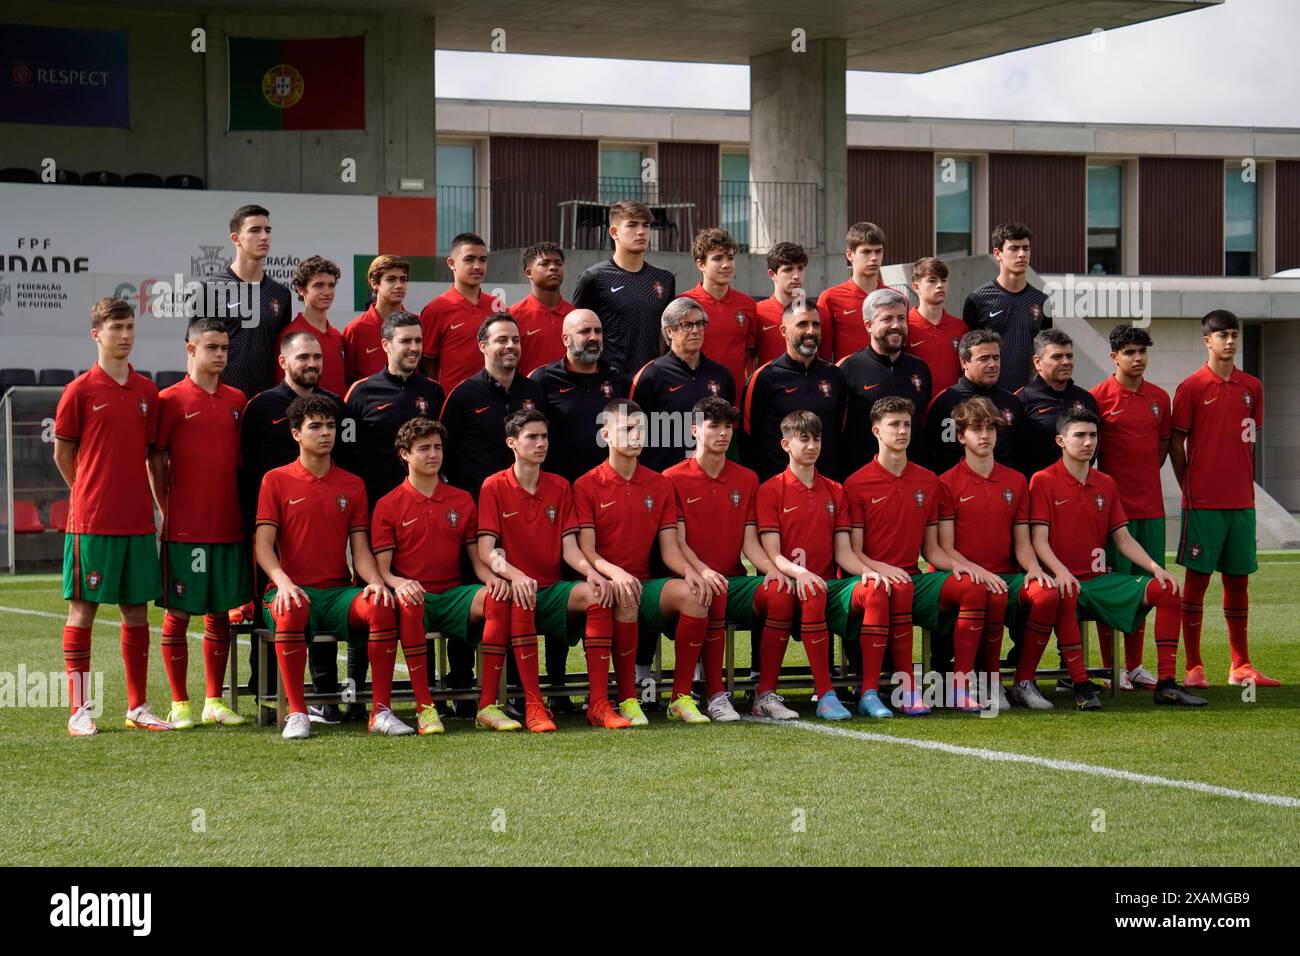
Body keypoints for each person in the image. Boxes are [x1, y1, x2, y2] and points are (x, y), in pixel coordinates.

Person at [1029, 408, 1207, 709]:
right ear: (1060, 440)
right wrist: (1060, 572)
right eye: (1080, 436)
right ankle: (1082, 686)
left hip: (1101, 580)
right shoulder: (1042, 480)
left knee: (1167, 590)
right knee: (1068, 592)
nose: (1088, 442)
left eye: (1093, 436)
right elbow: (1039, 541)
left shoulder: (1106, 483)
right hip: (1064, 582)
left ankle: (1166, 685)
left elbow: (1123, 538)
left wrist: (1154, 568)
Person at [54, 297, 171, 735]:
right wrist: (88, 491)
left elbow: (148, 455)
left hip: (138, 521)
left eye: (129, 327)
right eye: (115, 328)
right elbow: (63, 454)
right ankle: (79, 710)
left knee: (137, 614)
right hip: (91, 521)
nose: (124, 336)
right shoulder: (79, 391)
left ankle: (137, 706)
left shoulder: (146, 392)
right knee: (82, 613)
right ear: (96, 335)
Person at [253, 394, 398, 740]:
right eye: (315, 426)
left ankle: (381, 711)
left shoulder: (353, 484)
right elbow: (262, 546)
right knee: (291, 607)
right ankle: (298, 713)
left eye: (330, 426)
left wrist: (376, 581)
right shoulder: (276, 480)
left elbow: (360, 551)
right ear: (296, 434)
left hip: (337, 595)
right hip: (291, 591)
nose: (325, 433)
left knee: (380, 604)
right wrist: (284, 583)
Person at [372, 417, 526, 734]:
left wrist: (490, 578)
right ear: (404, 453)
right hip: (417, 597)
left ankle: (487, 707)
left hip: (453, 595)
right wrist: (400, 583)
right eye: (424, 448)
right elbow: (383, 571)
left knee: (497, 597)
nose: (433, 454)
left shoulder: (461, 499)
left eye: (438, 447)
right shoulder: (388, 504)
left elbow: (476, 557)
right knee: (410, 600)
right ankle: (426, 709)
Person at [841, 397, 991, 716]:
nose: (902, 431)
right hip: (869, 578)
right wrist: (879, 570)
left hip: (913, 577)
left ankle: (959, 686)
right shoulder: (856, 484)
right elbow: (851, 553)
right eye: (894, 424)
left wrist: (970, 568)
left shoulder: (928, 481)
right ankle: (895, 689)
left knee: (972, 587)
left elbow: (933, 550)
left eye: (907, 424)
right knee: (898, 587)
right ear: (876, 431)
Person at [573, 399, 713, 726]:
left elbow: (670, 549)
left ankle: (680, 697)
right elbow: (588, 551)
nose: (637, 436)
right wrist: (616, 573)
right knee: (626, 595)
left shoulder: (659, 483)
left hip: (644, 583)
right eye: (628, 429)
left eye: (641, 430)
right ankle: (628, 699)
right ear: (606, 434)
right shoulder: (586, 484)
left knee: (695, 594)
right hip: (606, 583)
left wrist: (692, 572)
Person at [477, 410, 620, 726]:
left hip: (553, 590)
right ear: (512, 443)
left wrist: (592, 572)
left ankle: (598, 703)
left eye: (544, 437)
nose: (541, 444)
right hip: (519, 589)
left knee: (597, 594)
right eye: (532, 437)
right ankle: (533, 706)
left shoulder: (559, 486)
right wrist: (515, 576)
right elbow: (487, 551)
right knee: (521, 595)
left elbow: (570, 550)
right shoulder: (493, 486)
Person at [239, 330, 354, 719]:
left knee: (323, 592)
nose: (312, 364)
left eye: (317, 357)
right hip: (270, 520)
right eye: (303, 357)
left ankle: (324, 695)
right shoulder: (260, 407)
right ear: (284, 361)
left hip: (322, 511)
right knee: (273, 605)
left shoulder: (336, 406)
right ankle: (268, 696)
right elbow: (244, 467)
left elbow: (347, 461)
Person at [147, 318, 249, 729]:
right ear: (190, 350)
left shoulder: (238, 399)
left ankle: (214, 700)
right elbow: (155, 460)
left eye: (224, 348)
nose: (220, 355)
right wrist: (166, 509)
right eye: (211, 347)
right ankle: (179, 702)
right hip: (184, 528)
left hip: (227, 525)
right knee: (179, 613)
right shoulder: (169, 400)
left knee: (220, 613)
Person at [1170, 310, 1278, 688]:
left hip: (1242, 503)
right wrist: (1191, 483)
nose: (1230, 341)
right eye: (1222, 335)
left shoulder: (1253, 387)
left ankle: (1241, 666)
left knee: (1238, 582)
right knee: (1196, 581)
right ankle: (1194, 667)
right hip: (1203, 504)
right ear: (1207, 341)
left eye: (1234, 334)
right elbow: (1175, 443)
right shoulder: (1191, 387)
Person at [752, 410, 880, 720]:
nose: (812, 446)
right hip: (792, 582)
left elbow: (844, 554)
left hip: (827, 585)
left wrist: (868, 571)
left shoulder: (835, 490)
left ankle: (871, 692)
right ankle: (825, 694)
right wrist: (801, 573)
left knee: (874, 589)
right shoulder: (770, 490)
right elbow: (773, 555)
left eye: (817, 439)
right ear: (786, 444)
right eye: (803, 439)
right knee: (812, 590)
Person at [936, 397, 1062, 711]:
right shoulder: (945, 483)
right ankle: (990, 681)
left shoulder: (1016, 481)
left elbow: (1022, 543)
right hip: (964, 576)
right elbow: (945, 548)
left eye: (990, 428)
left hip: (1006, 575)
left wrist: (1033, 567)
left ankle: (1024, 681)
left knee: (1046, 593)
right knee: (989, 591)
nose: (984, 435)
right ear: (961, 436)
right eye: (976, 429)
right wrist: (980, 572)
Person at [665, 397, 784, 722]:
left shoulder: (747, 479)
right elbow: (678, 541)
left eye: (727, 427)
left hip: (736, 580)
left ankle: (765, 694)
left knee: (780, 592)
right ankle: (715, 695)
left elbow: (750, 542)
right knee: (711, 586)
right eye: (713, 426)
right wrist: (703, 571)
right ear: (694, 431)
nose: (722, 434)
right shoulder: (672, 478)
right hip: (692, 579)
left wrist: (774, 570)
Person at [1089, 324, 1169, 689]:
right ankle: (1112, 668)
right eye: (1130, 353)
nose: (1138, 359)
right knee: (1113, 589)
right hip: (1112, 513)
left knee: (1149, 589)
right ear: (1114, 357)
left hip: (1151, 509)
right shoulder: (1098, 398)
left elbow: (1162, 448)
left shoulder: (1159, 398)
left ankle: (1135, 665)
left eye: (1142, 352)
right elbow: (1092, 453)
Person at [343, 311, 446, 509]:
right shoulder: (361, 392)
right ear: (386, 345)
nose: (414, 348)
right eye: (406, 341)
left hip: (426, 503)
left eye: (418, 341)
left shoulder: (434, 391)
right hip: (376, 503)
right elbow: (345, 451)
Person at [440, 314, 550, 495]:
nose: (511, 346)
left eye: (516, 340)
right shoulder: (464, 395)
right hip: (478, 500)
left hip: (527, 500)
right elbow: (446, 451)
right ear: (483, 346)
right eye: (502, 340)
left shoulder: (535, 392)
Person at [741, 300, 846, 481]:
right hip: (779, 487)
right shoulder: (764, 378)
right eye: (802, 324)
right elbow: (748, 438)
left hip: (826, 486)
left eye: (816, 325)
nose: (811, 331)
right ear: (784, 331)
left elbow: (841, 433)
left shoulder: (835, 376)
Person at [629, 296, 735, 473]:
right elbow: (631, 432)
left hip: (711, 478)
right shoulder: (650, 375)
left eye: (700, 324)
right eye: (687, 325)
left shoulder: (722, 375)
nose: (695, 330)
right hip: (663, 477)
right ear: (669, 331)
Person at [571, 200, 676, 376]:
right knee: (622, 407)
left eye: (646, 225)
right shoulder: (593, 278)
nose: (641, 232)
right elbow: (576, 334)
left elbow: (667, 335)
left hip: (653, 382)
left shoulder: (664, 279)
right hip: (611, 384)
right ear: (614, 232)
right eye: (632, 225)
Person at [199, 204, 292, 399]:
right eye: (255, 230)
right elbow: (195, 352)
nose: (264, 236)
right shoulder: (210, 289)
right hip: (222, 399)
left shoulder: (281, 294)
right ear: (235, 238)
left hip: (267, 401)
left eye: (267, 230)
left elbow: (282, 352)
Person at [837, 287, 931, 475]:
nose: (896, 325)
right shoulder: (848, 368)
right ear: (868, 325)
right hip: (864, 478)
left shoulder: (920, 369)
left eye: (901, 318)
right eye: (887, 319)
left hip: (912, 479)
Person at [528, 309, 630, 484]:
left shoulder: (617, 378)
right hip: (560, 486)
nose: (594, 337)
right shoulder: (542, 380)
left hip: (609, 486)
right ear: (565, 339)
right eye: (585, 331)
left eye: (598, 331)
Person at [962, 221, 1051, 391]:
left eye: (1026, 248)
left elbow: (1044, 354)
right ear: (997, 253)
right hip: (986, 398)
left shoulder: (1041, 301)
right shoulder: (977, 299)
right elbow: (967, 355)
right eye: (1014, 248)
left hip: (1026, 399)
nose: (1022, 254)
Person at [924, 329, 1025, 474]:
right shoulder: (944, 402)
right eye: (984, 359)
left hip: (1002, 489)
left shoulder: (1012, 402)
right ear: (964, 362)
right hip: (957, 489)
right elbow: (932, 453)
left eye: (996, 358)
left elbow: (1020, 452)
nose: (993, 364)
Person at [419, 232, 502, 393]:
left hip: (493, 399)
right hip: (452, 403)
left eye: (482, 260)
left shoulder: (496, 306)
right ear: (452, 263)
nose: (477, 266)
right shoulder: (436, 309)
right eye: (469, 259)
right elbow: (427, 363)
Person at [1015, 329, 1099, 479]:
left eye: (1069, 356)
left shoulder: (1087, 399)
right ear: (1037, 362)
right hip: (1036, 491)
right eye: (1057, 357)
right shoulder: (1021, 400)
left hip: (1078, 489)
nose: (1066, 362)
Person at [682, 227, 757, 391]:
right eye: (718, 258)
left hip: (734, 401)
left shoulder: (748, 305)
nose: (726, 264)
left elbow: (749, 355)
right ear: (700, 264)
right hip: (693, 398)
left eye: (730, 258)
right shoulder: (683, 304)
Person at [817, 221, 900, 361]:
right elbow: (823, 356)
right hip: (846, 381)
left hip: (888, 380)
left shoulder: (897, 299)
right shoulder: (829, 298)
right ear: (850, 255)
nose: (874, 258)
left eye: (878, 251)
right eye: (866, 252)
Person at [278, 256, 347, 398]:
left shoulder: (337, 336)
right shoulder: (290, 335)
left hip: (338, 416)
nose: (327, 292)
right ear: (301, 290)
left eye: (331, 285)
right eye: (318, 285)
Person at [755, 242, 828, 367]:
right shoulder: (757, 312)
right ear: (772, 274)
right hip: (770, 384)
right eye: (788, 269)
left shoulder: (820, 314)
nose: (796, 276)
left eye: (800, 268)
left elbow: (825, 359)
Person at [343, 254, 410, 386]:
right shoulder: (355, 329)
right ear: (374, 284)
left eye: (403, 279)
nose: (399, 285)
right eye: (391, 279)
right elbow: (349, 380)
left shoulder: (417, 325)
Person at [906, 256, 968, 395]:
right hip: (914, 408)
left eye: (944, 280)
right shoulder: (905, 326)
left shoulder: (961, 328)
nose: (940, 285)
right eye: (932, 280)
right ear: (916, 287)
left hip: (952, 407)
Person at [513, 241, 574, 374]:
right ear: (529, 272)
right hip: (528, 393)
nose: (553, 267)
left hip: (570, 393)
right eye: (544, 263)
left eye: (558, 263)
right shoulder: (512, 316)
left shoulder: (575, 316)